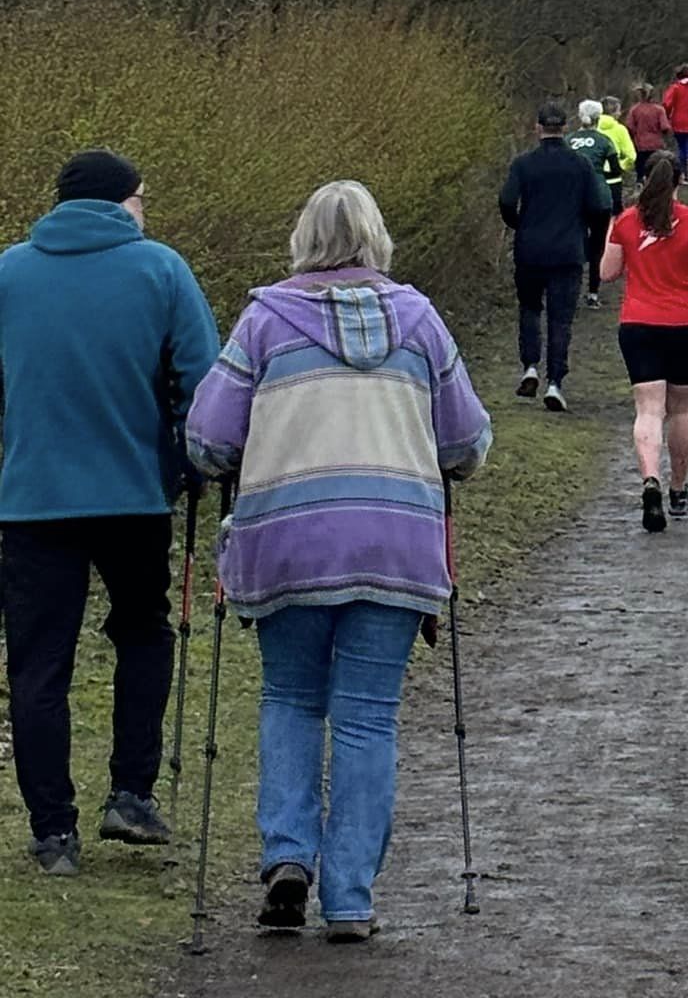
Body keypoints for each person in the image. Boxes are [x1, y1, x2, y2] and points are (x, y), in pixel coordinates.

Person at [187, 181, 491, 940]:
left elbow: (207, 441)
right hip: (394, 544)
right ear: (378, 238)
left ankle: (288, 854)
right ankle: (350, 897)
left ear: (303, 240)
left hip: (286, 541)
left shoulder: (262, 322)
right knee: (366, 717)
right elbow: (467, 444)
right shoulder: (419, 320)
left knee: (290, 698)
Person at [0, 151, 219, 878]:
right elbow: (203, 379)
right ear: (124, 202)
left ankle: (52, 829)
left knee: (39, 666)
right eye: (144, 198)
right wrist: (189, 458)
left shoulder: (9, 273)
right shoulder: (161, 270)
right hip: (133, 495)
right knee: (143, 635)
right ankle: (130, 791)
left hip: (31, 499)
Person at [602, 158, 688, 531]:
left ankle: (650, 480)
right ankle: (677, 487)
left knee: (648, 409)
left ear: (644, 180)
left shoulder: (625, 220)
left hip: (638, 323)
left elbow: (606, 273)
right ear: (679, 181)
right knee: (681, 408)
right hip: (684, 322)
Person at [498, 102, 612, 411]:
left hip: (530, 248)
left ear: (537, 128)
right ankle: (555, 383)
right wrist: (586, 232)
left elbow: (507, 202)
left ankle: (530, 367)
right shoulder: (580, 165)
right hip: (568, 250)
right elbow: (599, 207)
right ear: (565, 128)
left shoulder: (523, 164)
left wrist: (520, 224)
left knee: (530, 309)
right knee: (561, 319)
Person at [568, 101, 624, 307]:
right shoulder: (604, 141)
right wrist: (600, 172)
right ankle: (593, 294)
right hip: (600, 198)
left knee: (574, 244)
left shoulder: (569, 140)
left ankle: (570, 291)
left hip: (574, 199)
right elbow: (616, 170)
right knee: (598, 246)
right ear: (598, 118)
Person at [626, 83, 673, 183]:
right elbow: (665, 127)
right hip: (656, 145)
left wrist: (635, 135)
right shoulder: (659, 110)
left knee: (640, 168)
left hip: (640, 144)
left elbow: (629, 126)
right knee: (655, 169)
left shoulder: (634, 110)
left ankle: (640, 184)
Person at [598, 97, 637, 190]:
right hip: (613, 177)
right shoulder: (620, 129)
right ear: (614, 113)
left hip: (594, 177)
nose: (620, 114)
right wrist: (621, 166)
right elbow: (631, 156)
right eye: (619, 110)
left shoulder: (591, 128)